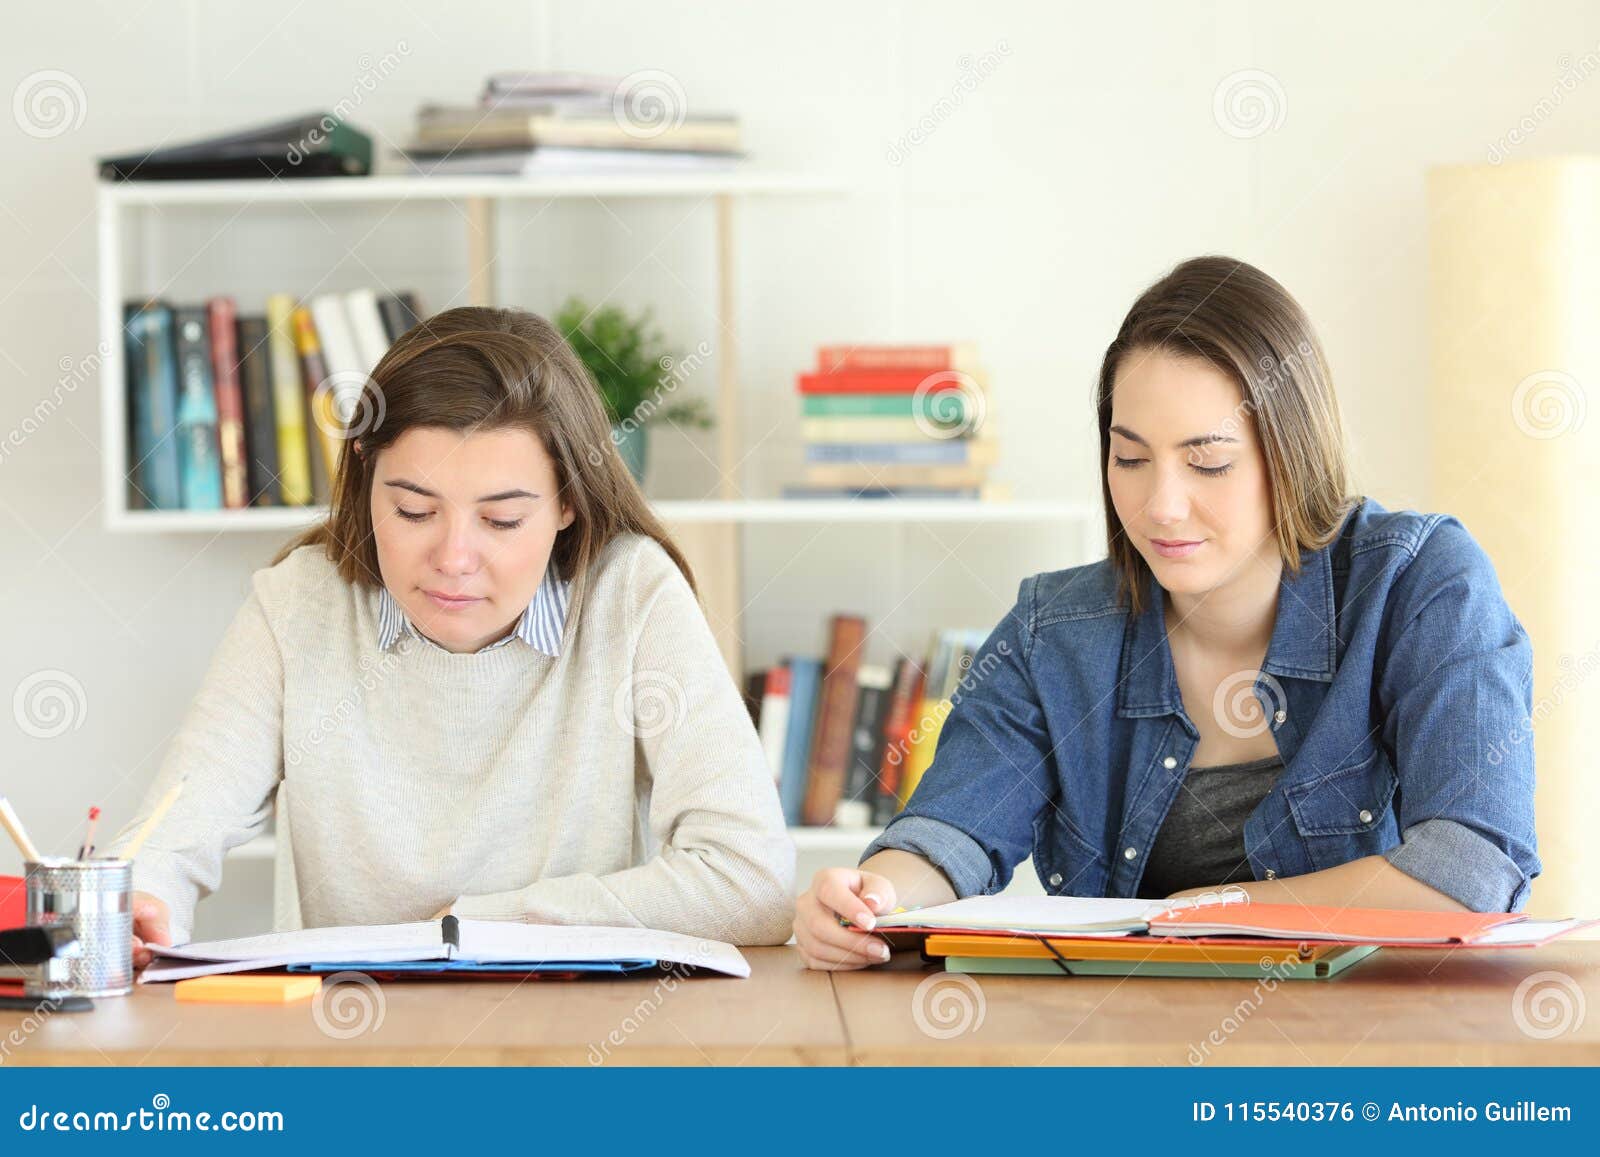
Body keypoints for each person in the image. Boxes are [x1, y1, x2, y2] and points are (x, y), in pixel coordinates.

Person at [794, 256, 1540, 970]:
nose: (1162, 506)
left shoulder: (1421, 583)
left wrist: (1214, 911)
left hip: (1374, 1053)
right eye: (1130, 458)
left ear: (1292, 452)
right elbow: (949, 834)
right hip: (1133, 1050)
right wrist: (874, 895)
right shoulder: (1053, 631)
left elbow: (1472, 866)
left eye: (1208, 461)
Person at [113, 306, 794, 966]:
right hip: (349, 1043)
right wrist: (143, 896)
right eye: (413, 510)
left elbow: (751, 881)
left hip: (580, 1041)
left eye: (500, 520)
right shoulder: (298, 602)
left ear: (566, 501)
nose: (453, 557)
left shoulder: (632, 596)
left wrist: (481, 927)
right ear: (364, 474)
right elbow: (169, 837)